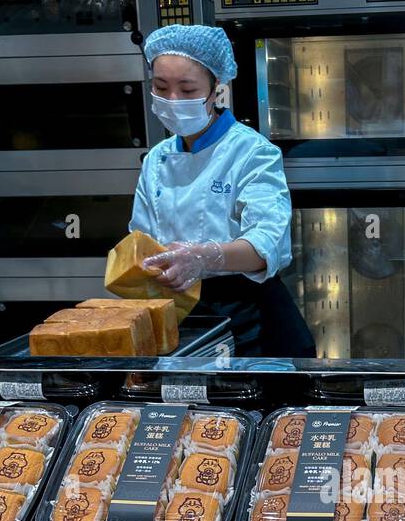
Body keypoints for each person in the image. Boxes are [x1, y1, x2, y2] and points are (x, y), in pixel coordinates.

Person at [131, 22, 315, 357]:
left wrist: (202, 258)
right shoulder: (156, 159)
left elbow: (266, 245)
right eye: (161, 87)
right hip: (180, 316)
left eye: (187, 90)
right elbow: (140, 241)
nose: (173, 100)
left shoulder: (252, 152)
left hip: (248, 319)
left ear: (216, 86)